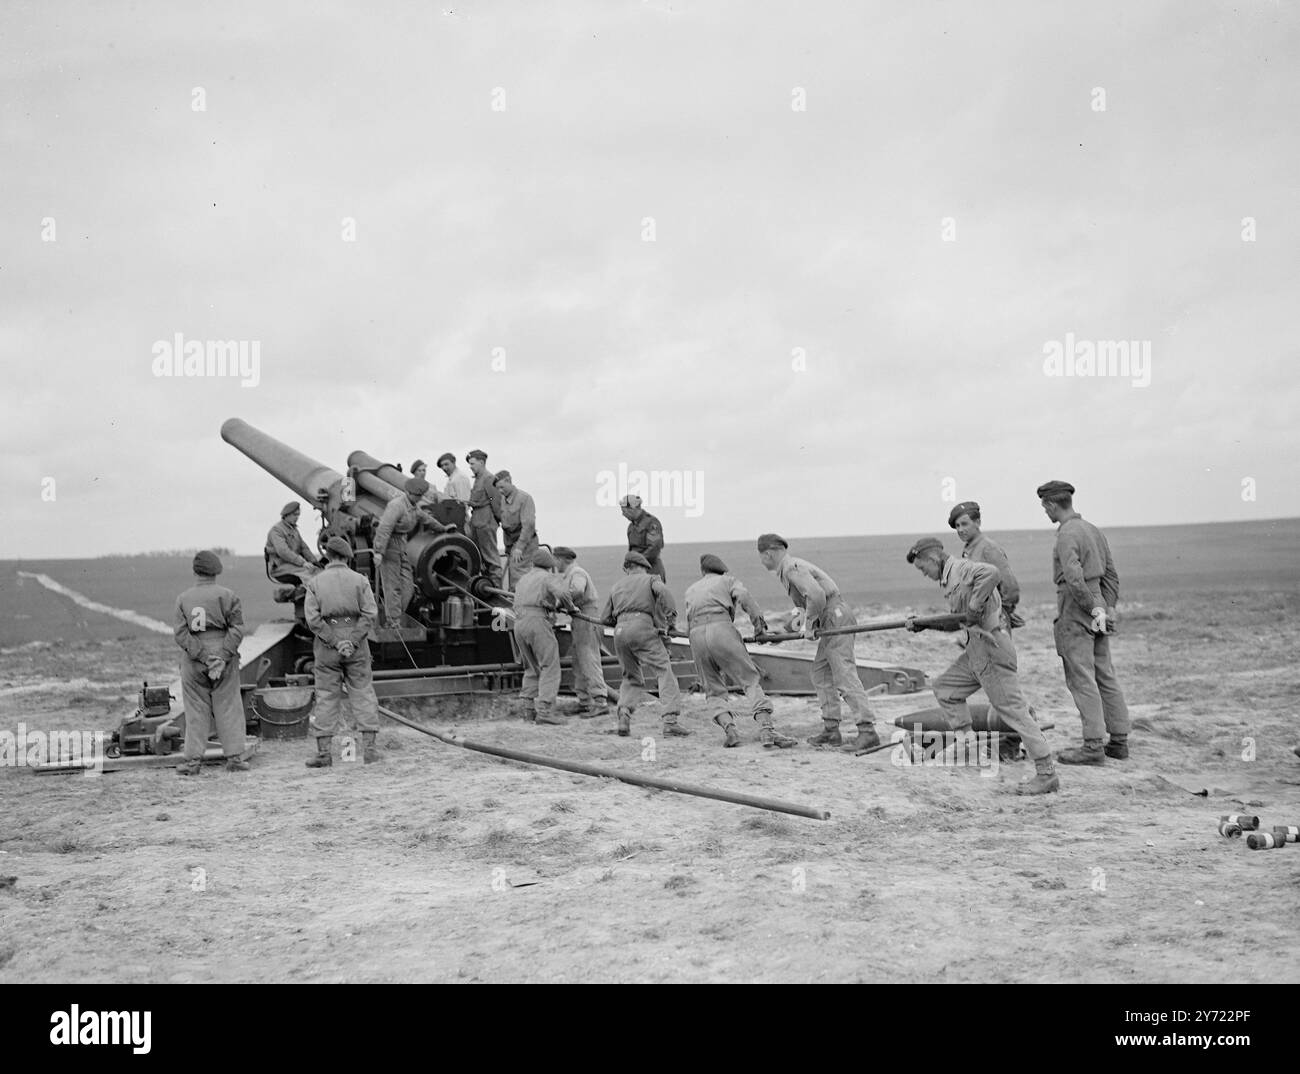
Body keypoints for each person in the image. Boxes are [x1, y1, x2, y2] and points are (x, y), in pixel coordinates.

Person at [904, 537, 1059, 794]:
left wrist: (975, 606)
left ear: (933, 560)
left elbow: (992, 572)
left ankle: (1046, 773)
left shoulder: (961, 569)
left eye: (923, 569)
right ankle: (970, 747)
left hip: (991, 650)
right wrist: (924, 623)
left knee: (1013, 710)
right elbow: (959, 620)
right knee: (945, 689)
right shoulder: (950, 578)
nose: (924, 574)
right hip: (975, 652)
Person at [756, 533, 879, 751]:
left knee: (844, 674)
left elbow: (817, 596)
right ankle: (831, 731)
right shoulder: (791, 568)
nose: (761, 561)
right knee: (821, 674)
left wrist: (811, 624)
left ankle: (867, 731)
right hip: (830, 617)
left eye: (761, 557)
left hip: (834, 616)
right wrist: (783, 632)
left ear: (768, 553)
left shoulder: (792, 567)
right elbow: (806, 606)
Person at [1037, 480, 1131, 765]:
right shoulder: (1092, 530)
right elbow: (1112, 575)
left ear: (1053, 504)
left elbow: (1075, 579)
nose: (1045, 512)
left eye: (1045, 507)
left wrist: (1092, 609)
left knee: (1081, 677)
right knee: (1105, 673)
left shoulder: (1067, 534)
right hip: (1099, 601)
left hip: (1077, 606)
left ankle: (1092, 745)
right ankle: (1119, 741)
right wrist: (1106, 608)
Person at [685, 554, 797, 749]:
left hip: (695, 635)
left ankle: (730, 731)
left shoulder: (691, 589)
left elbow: (688, 619)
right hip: (721, 630)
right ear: (722, 570)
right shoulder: (728, 581)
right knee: (750, 681)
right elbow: (745, 597)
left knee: (713, 690)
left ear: (703, 572)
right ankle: (767, 730)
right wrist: (759, 626)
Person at [303, 536, 381, 767]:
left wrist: (335, 641)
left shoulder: (315, 583)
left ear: (327, 556)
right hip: (357, 645)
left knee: (326, 696)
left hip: (327, 646)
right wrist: (352, 640)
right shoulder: (360, 580)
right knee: (363, 692)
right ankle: (370, 751)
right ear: (348, 557)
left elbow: (313, 619)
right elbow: (370, 614)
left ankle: (324, 754)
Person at [173, 551, 248, 774]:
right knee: (229, 706)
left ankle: (192, 762)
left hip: (194, 658)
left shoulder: (183, 598)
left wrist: (204, 657)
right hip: (223, 652)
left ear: (195, 571)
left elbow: (180, 633)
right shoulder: (228, 595)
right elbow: (237, 628)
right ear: (216, 571)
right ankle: (234, 758)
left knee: (195, 709)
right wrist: (222, 657)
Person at [599, 551, 688, 738]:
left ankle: (624, 714)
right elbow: (664, 593)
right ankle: (670, 721)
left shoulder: (616, 586)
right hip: (642, 627)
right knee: (663, 671)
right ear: (644, 567)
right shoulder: (651, 580)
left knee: (630, 677)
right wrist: (671, 619)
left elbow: (605, 618)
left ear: (626, 568)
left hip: (620, 632)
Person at [510, 549, 578, 724]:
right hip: (537, 622)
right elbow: (562, 594)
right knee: (550, 665)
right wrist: (570, 608)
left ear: (532, 563)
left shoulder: (523, 579)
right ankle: (545, 712)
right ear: (550, 566)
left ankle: (528, 710)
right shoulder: (547, 577)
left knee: (531, 667)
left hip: (518, 623)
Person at [372, 477, 449, 629]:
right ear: (408, 492)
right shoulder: (396, 506)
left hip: (402, 546)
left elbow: (425, 519)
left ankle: (395, 616)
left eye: (420, 496)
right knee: (392, 586)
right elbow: (384, 528)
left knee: (407, 586)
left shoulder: (413, 506)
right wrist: (379, 552)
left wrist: (443, 528)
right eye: (416, 495)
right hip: (389, 547)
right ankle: (393, 622)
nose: (419, 498)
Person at [948, 500, 1023, 630]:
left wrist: (1001, 612)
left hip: (992, 622)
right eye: (957, 525)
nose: (960, 529)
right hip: (977, 621)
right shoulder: (970, 549)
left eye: (964, 524)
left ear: (978, 522)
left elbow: (1010, 588)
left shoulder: (988, 549)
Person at [553, 546, 609, 718]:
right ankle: (585, 702)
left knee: (589, 659)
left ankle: (600, 701)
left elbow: (577, 590)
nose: (554, 563)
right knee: (579, 662)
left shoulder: (577, 573)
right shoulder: (572, 573)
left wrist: (561, 603)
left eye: (555, 560)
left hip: (586, 619)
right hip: (579, 620)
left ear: (561, 559)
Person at [495, 470, 538, 588]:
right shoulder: (503, 499)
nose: (500, 491)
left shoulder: (524, 498)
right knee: (514, 574)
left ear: (509, 481)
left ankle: (521, 601)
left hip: (524, 543)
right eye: (498, 489)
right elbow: (506, 524)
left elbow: (528, 525)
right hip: (511, 543)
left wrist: (519, 547)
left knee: (520, 573)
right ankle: (515, 600)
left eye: (502, 487)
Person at [466, 450, 503, 587]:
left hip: (486, 523)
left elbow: (495, 499)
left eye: (472, 464)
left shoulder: (488, 479)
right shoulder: (477, 479)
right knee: (481, 561)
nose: (470, 466)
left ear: (481, 462)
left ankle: (498, 591)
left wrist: (496, 520)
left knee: (491, 559)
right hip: (477, 522)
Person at [265, 501, 320, 585]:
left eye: (298, 515)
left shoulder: (294, 530)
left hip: (293, 564)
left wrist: (314, 562)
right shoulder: (277, 530)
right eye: (295, 515)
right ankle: (310, 596)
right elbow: (283, 551)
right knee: (309, 574)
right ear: (287, 515)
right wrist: (303, 563)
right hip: (280, 567)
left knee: (317, 571)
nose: (297, 517)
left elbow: (303, 547)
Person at [620, 495, 666, 580]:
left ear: (632, 509)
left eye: (624, 511)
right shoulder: (631, 527)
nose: (623, 514)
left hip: (651, 571)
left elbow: (654, 548)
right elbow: (632, 550)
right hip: (635, 572)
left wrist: (637, 562)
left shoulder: (652, 523)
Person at [438, 452, 473, 532]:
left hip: (460, 521)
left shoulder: (460, 478)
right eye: (442, 466)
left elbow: (463, 503)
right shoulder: (452, 478)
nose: (444, 468)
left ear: (453, 463)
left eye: (446, 464)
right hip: (453, 519)